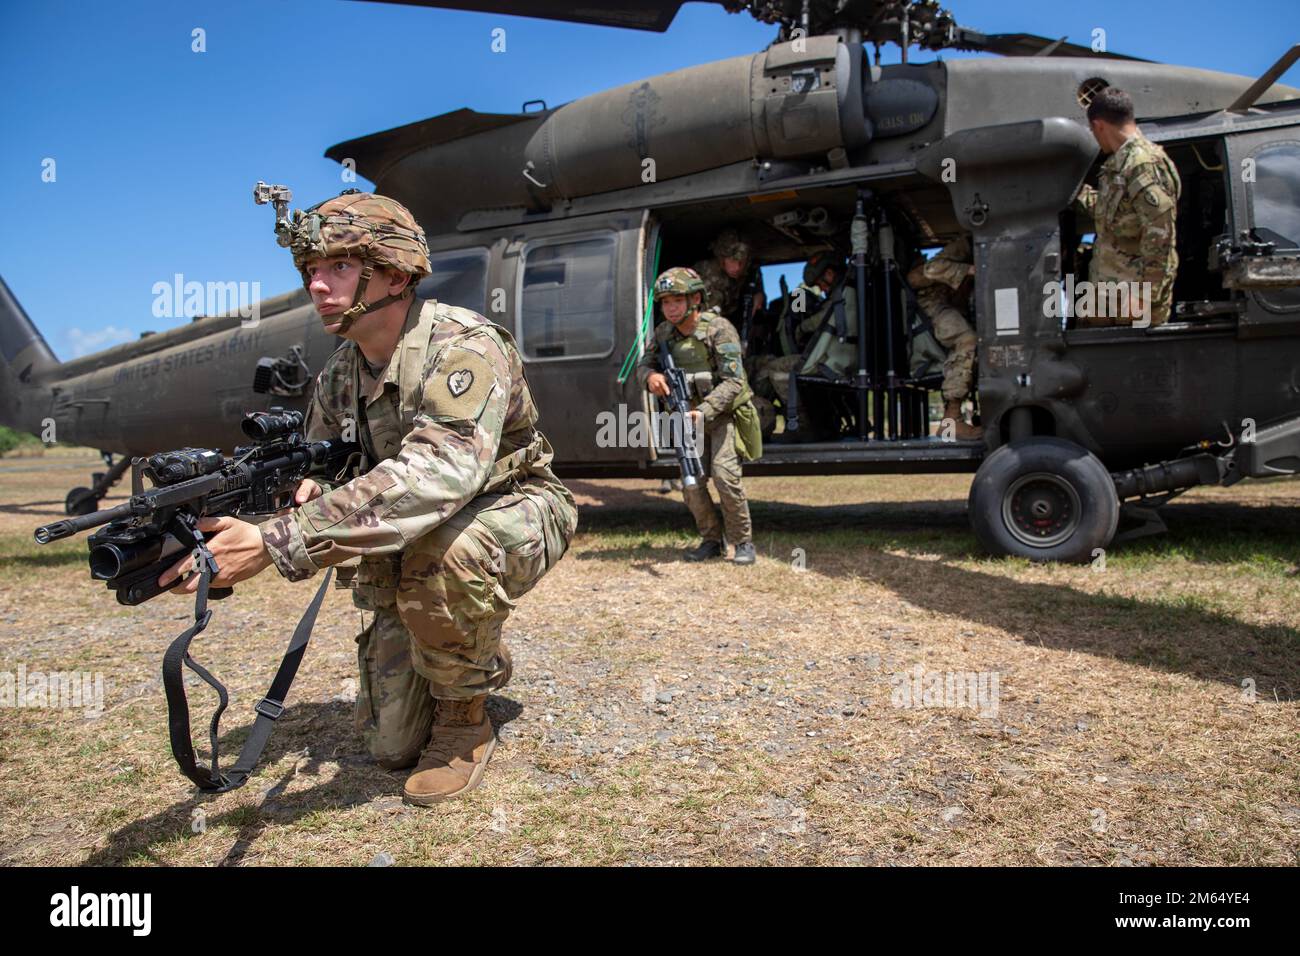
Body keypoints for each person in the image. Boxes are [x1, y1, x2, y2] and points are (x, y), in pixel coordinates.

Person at [158, 190, 577, 805]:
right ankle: (462, 647)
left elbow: (440, 473)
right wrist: (291, 501)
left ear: (396, 273)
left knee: (443, 550)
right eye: (310, 272)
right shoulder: (340, 374)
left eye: (339, 267)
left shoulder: (464, 344)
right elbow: (328, 469)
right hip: (418, 522)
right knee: (390, 747)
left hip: (515, 503)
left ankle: (465, 721)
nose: (318, 286)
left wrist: (280, 542)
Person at [637, 266, 756, 565]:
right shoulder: (664, 333)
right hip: (685, 418)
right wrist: (650, 376)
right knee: (691, 481)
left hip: (721, 416)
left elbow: (734, 381)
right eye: (665, 302)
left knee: (725, 476)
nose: (670, 308)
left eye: (677, 300)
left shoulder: (719, 329)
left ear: (695, 300)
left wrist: (702, 411)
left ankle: (743, 542)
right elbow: (643, 365)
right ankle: (711, 540)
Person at [1074, 85, 1181, 327]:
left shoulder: (1144, 164)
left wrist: (1146, 297)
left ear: (1099, 125)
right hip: (1111, 301)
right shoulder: (1118, 166)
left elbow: (1161, 238)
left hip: (1133, 308)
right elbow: (1108, 212)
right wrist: (1073, 189)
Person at [905, 237, 982, 439]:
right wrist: (970, 270)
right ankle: (951, 421)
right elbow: (931, 268)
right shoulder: (969, 242)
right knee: (967, 341)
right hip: (931, 304)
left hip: (949, 306)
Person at [693, 228, 765, 328]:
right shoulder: (709, 277)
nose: (737, 267)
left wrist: (758, 294)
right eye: (732, 261)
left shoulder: (747, 272)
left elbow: (753, 278)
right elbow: (705, 322)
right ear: (722, 258)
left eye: (741, 262)